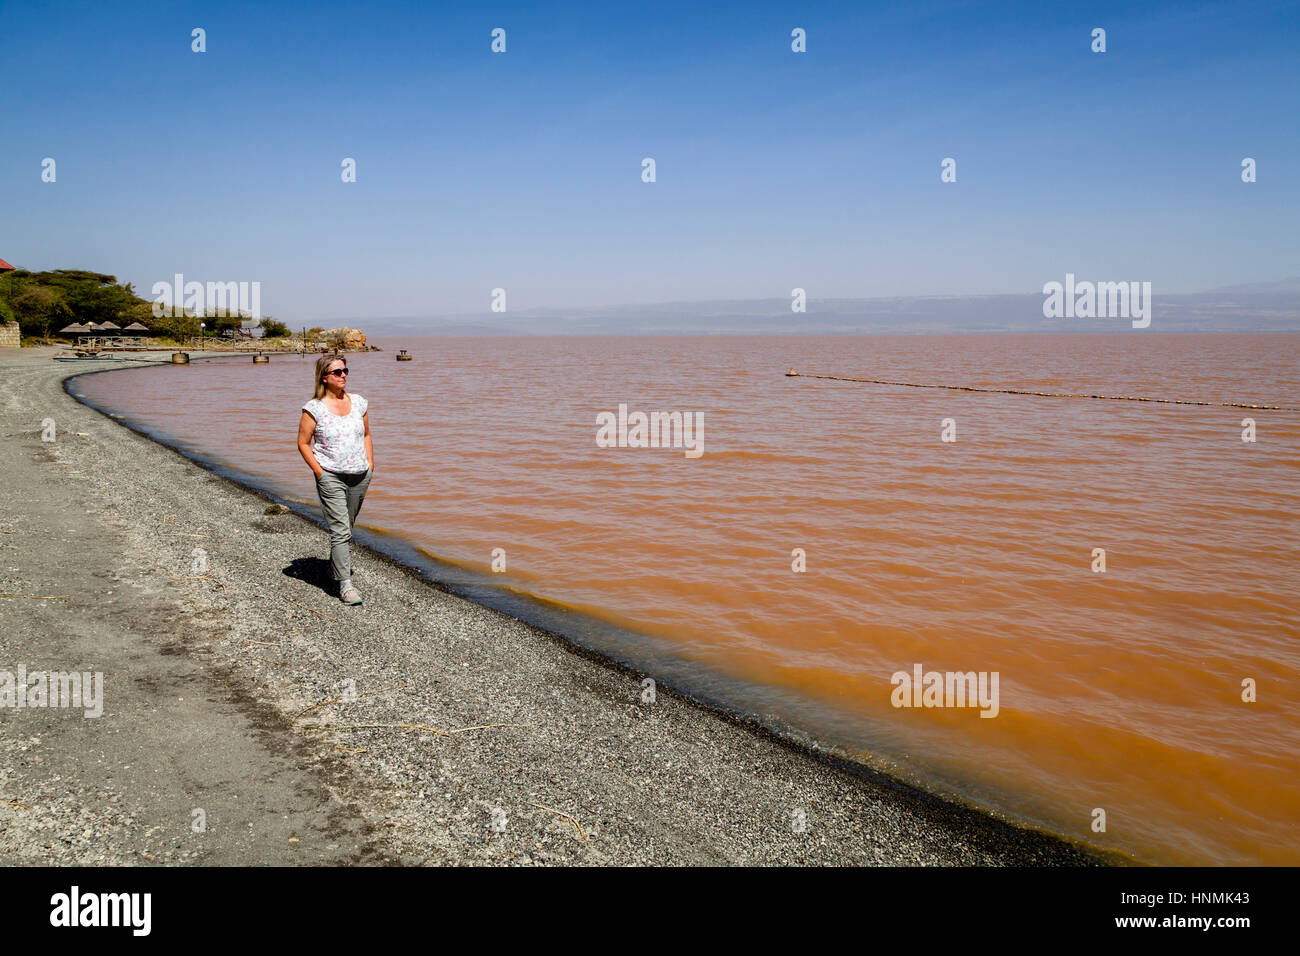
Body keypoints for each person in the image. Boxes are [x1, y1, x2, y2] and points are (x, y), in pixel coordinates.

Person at [297, 354, 374, 604]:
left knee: (347, 528)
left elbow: (367, 435)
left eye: (345, 371)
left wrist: (370, 465)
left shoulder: (359, 402)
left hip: (360, 476)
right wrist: (319, 473)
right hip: (330, 476)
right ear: (324, 377)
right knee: (340, 531)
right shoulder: (314, 408)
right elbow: (302, 443)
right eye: (337, 372)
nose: (343, 376)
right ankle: (345, 585)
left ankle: (334, 567)